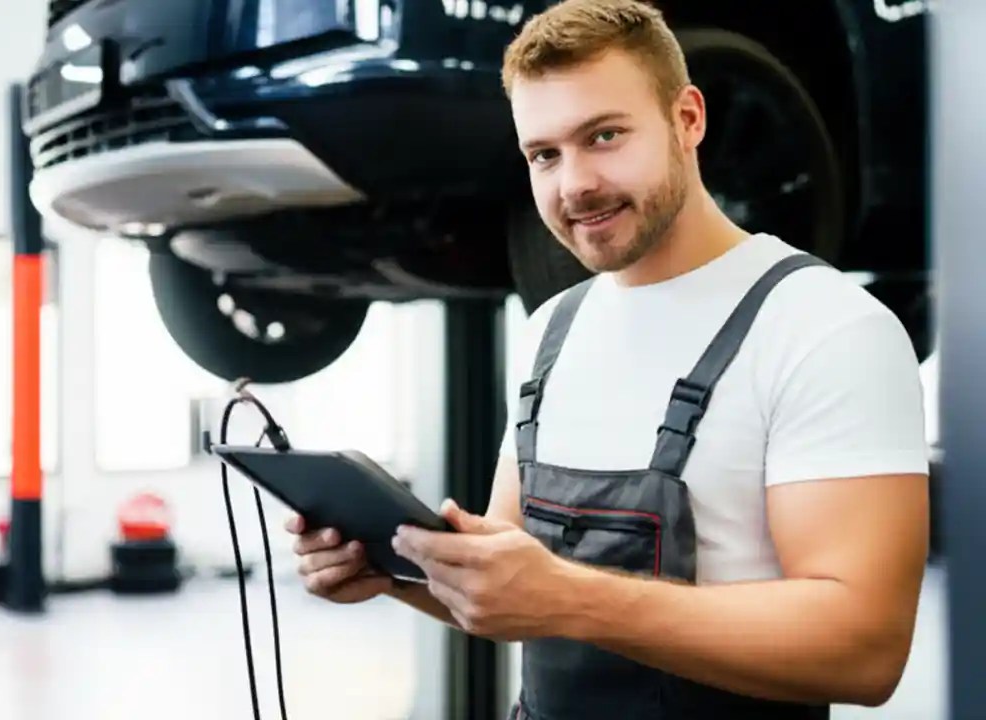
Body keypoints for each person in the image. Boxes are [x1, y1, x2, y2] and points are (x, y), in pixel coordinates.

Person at [285, 0, 930, 717]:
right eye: (545, 155)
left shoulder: (822, 327)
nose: (574, 184)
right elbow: (512, 576)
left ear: (688, 120)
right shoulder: (551, 331)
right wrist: (395, 576)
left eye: (605, 136)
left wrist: (571, 597)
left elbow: (865, 649)